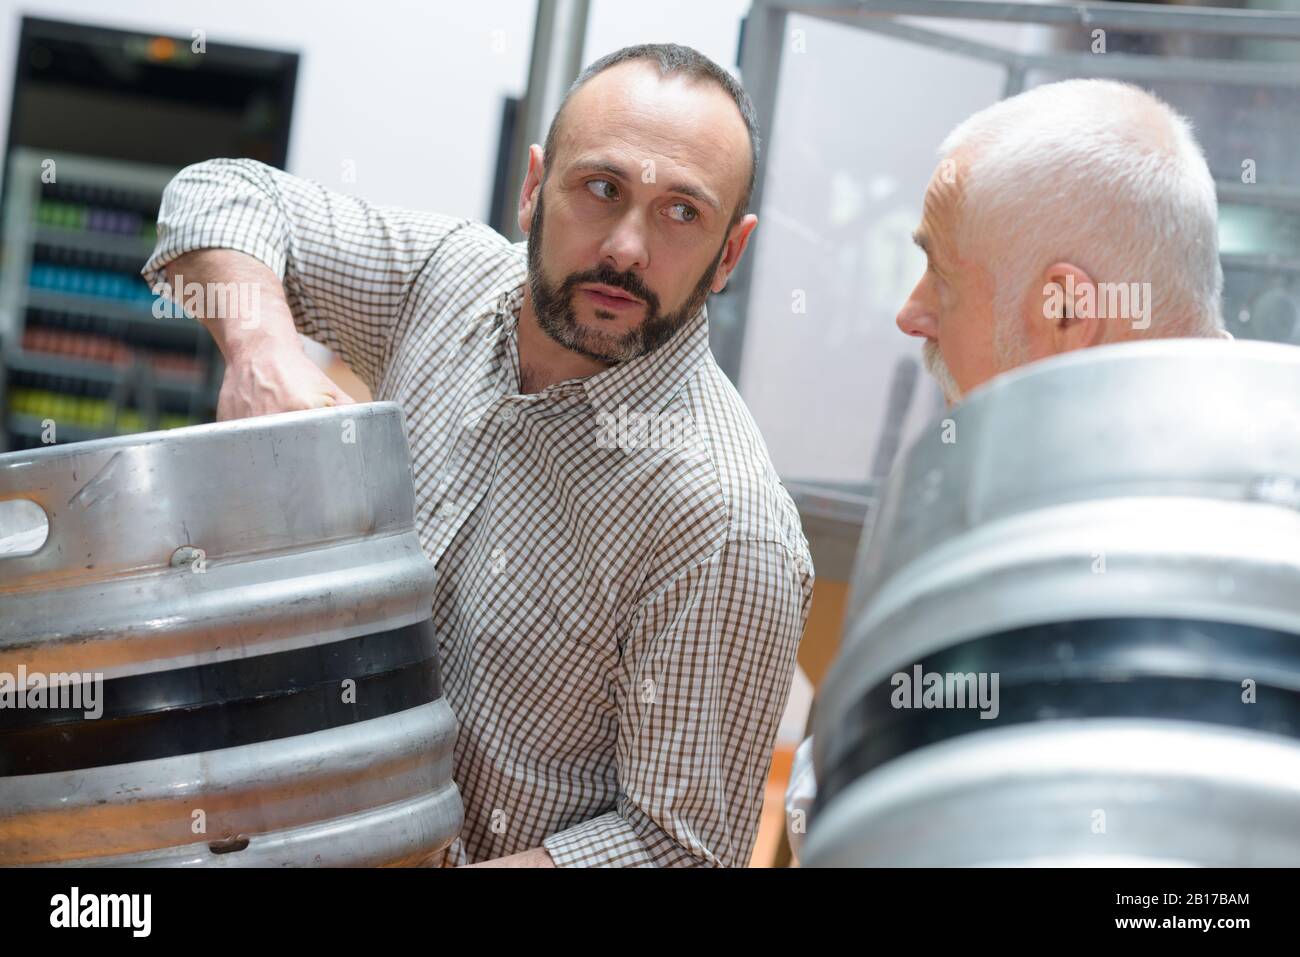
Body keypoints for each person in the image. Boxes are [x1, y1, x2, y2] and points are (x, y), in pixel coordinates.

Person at [144, 44, 813, 867]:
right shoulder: (446, 281)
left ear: (730, 254)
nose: (628, 248)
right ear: (534, 189)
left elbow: (677, 849)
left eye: (683, 213)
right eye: (601, 189)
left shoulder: (725, 524)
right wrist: (261, 350)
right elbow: (220, 192)